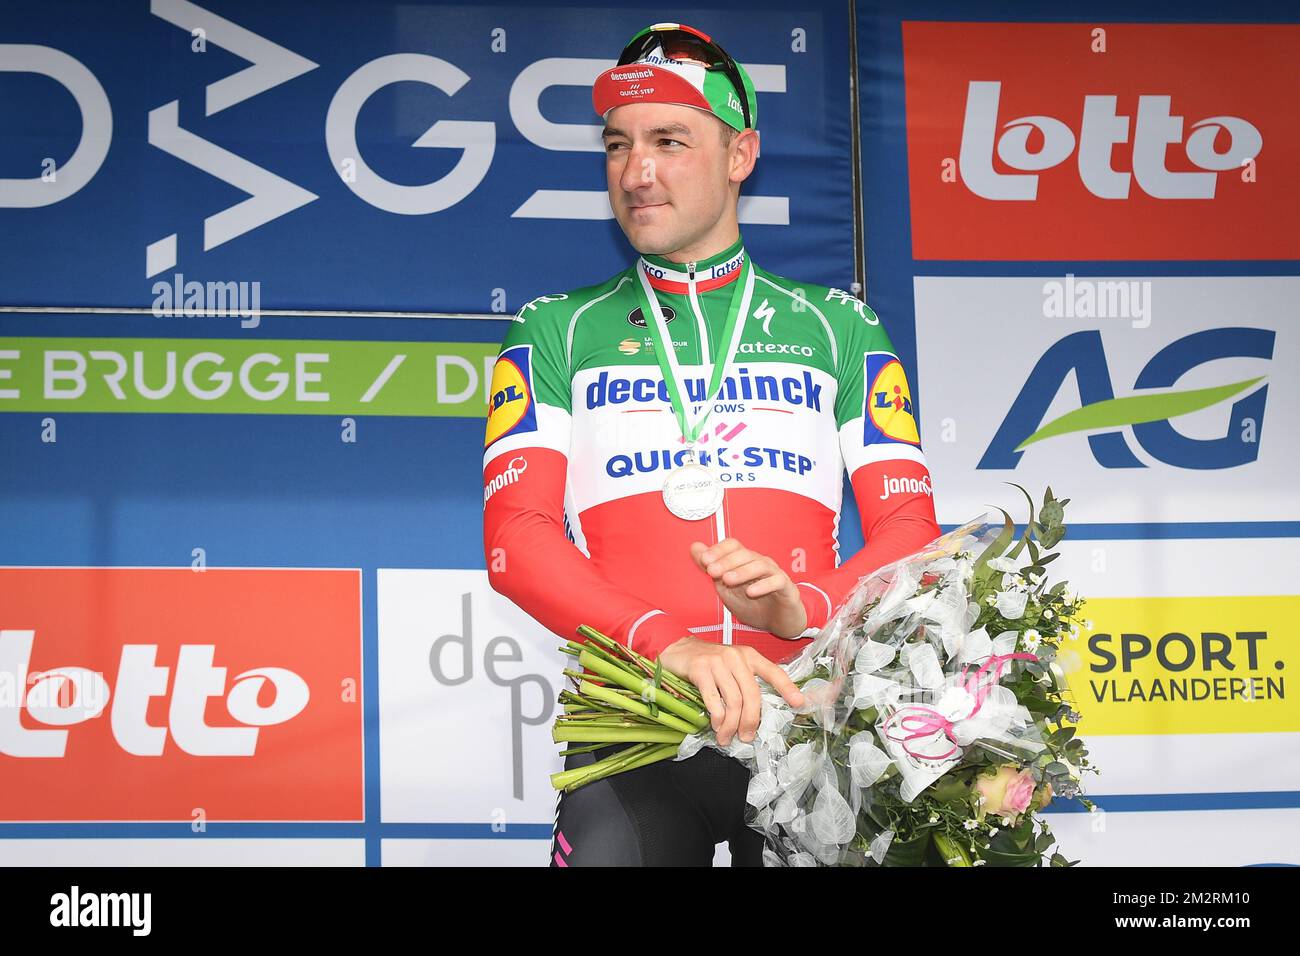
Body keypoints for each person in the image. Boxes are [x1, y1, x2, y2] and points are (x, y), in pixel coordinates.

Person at [482, 22, 941, 866]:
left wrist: (806, 608)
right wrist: (672, 643)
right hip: (637, 726)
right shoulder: (553, 328)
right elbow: (515, 542)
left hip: (811, 719)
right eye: (618, 145)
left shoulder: (840, 326)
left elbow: (912, 532)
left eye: (669, 141)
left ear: (741, 155)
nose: (636, 171)